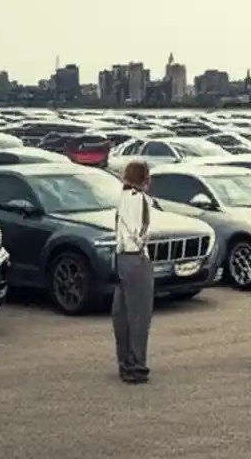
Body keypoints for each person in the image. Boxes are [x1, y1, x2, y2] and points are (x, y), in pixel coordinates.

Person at [113, 160, 154, 384]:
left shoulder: (121, 198)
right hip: (136, 258)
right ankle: (137, 364)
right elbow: (140, 231)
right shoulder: (140, 200)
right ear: (145, 179)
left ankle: (124, 361)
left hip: (120, 258)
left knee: (122, 314)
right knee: (139, 315)